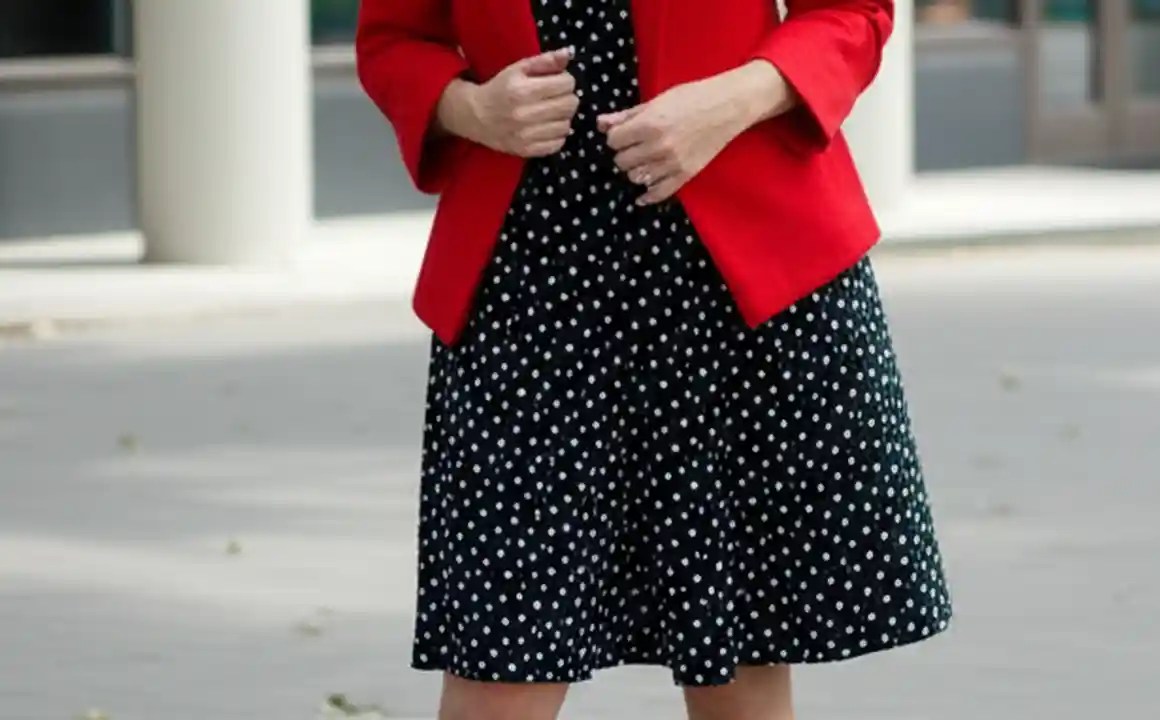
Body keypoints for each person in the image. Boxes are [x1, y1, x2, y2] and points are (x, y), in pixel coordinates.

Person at [355, 1, 953, 718]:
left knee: (742, 661)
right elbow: (394, 39)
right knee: (500, 663)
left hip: (743, 283)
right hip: (531, 290)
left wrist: (729, 100)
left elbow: (853, 13)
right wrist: (471, 108)